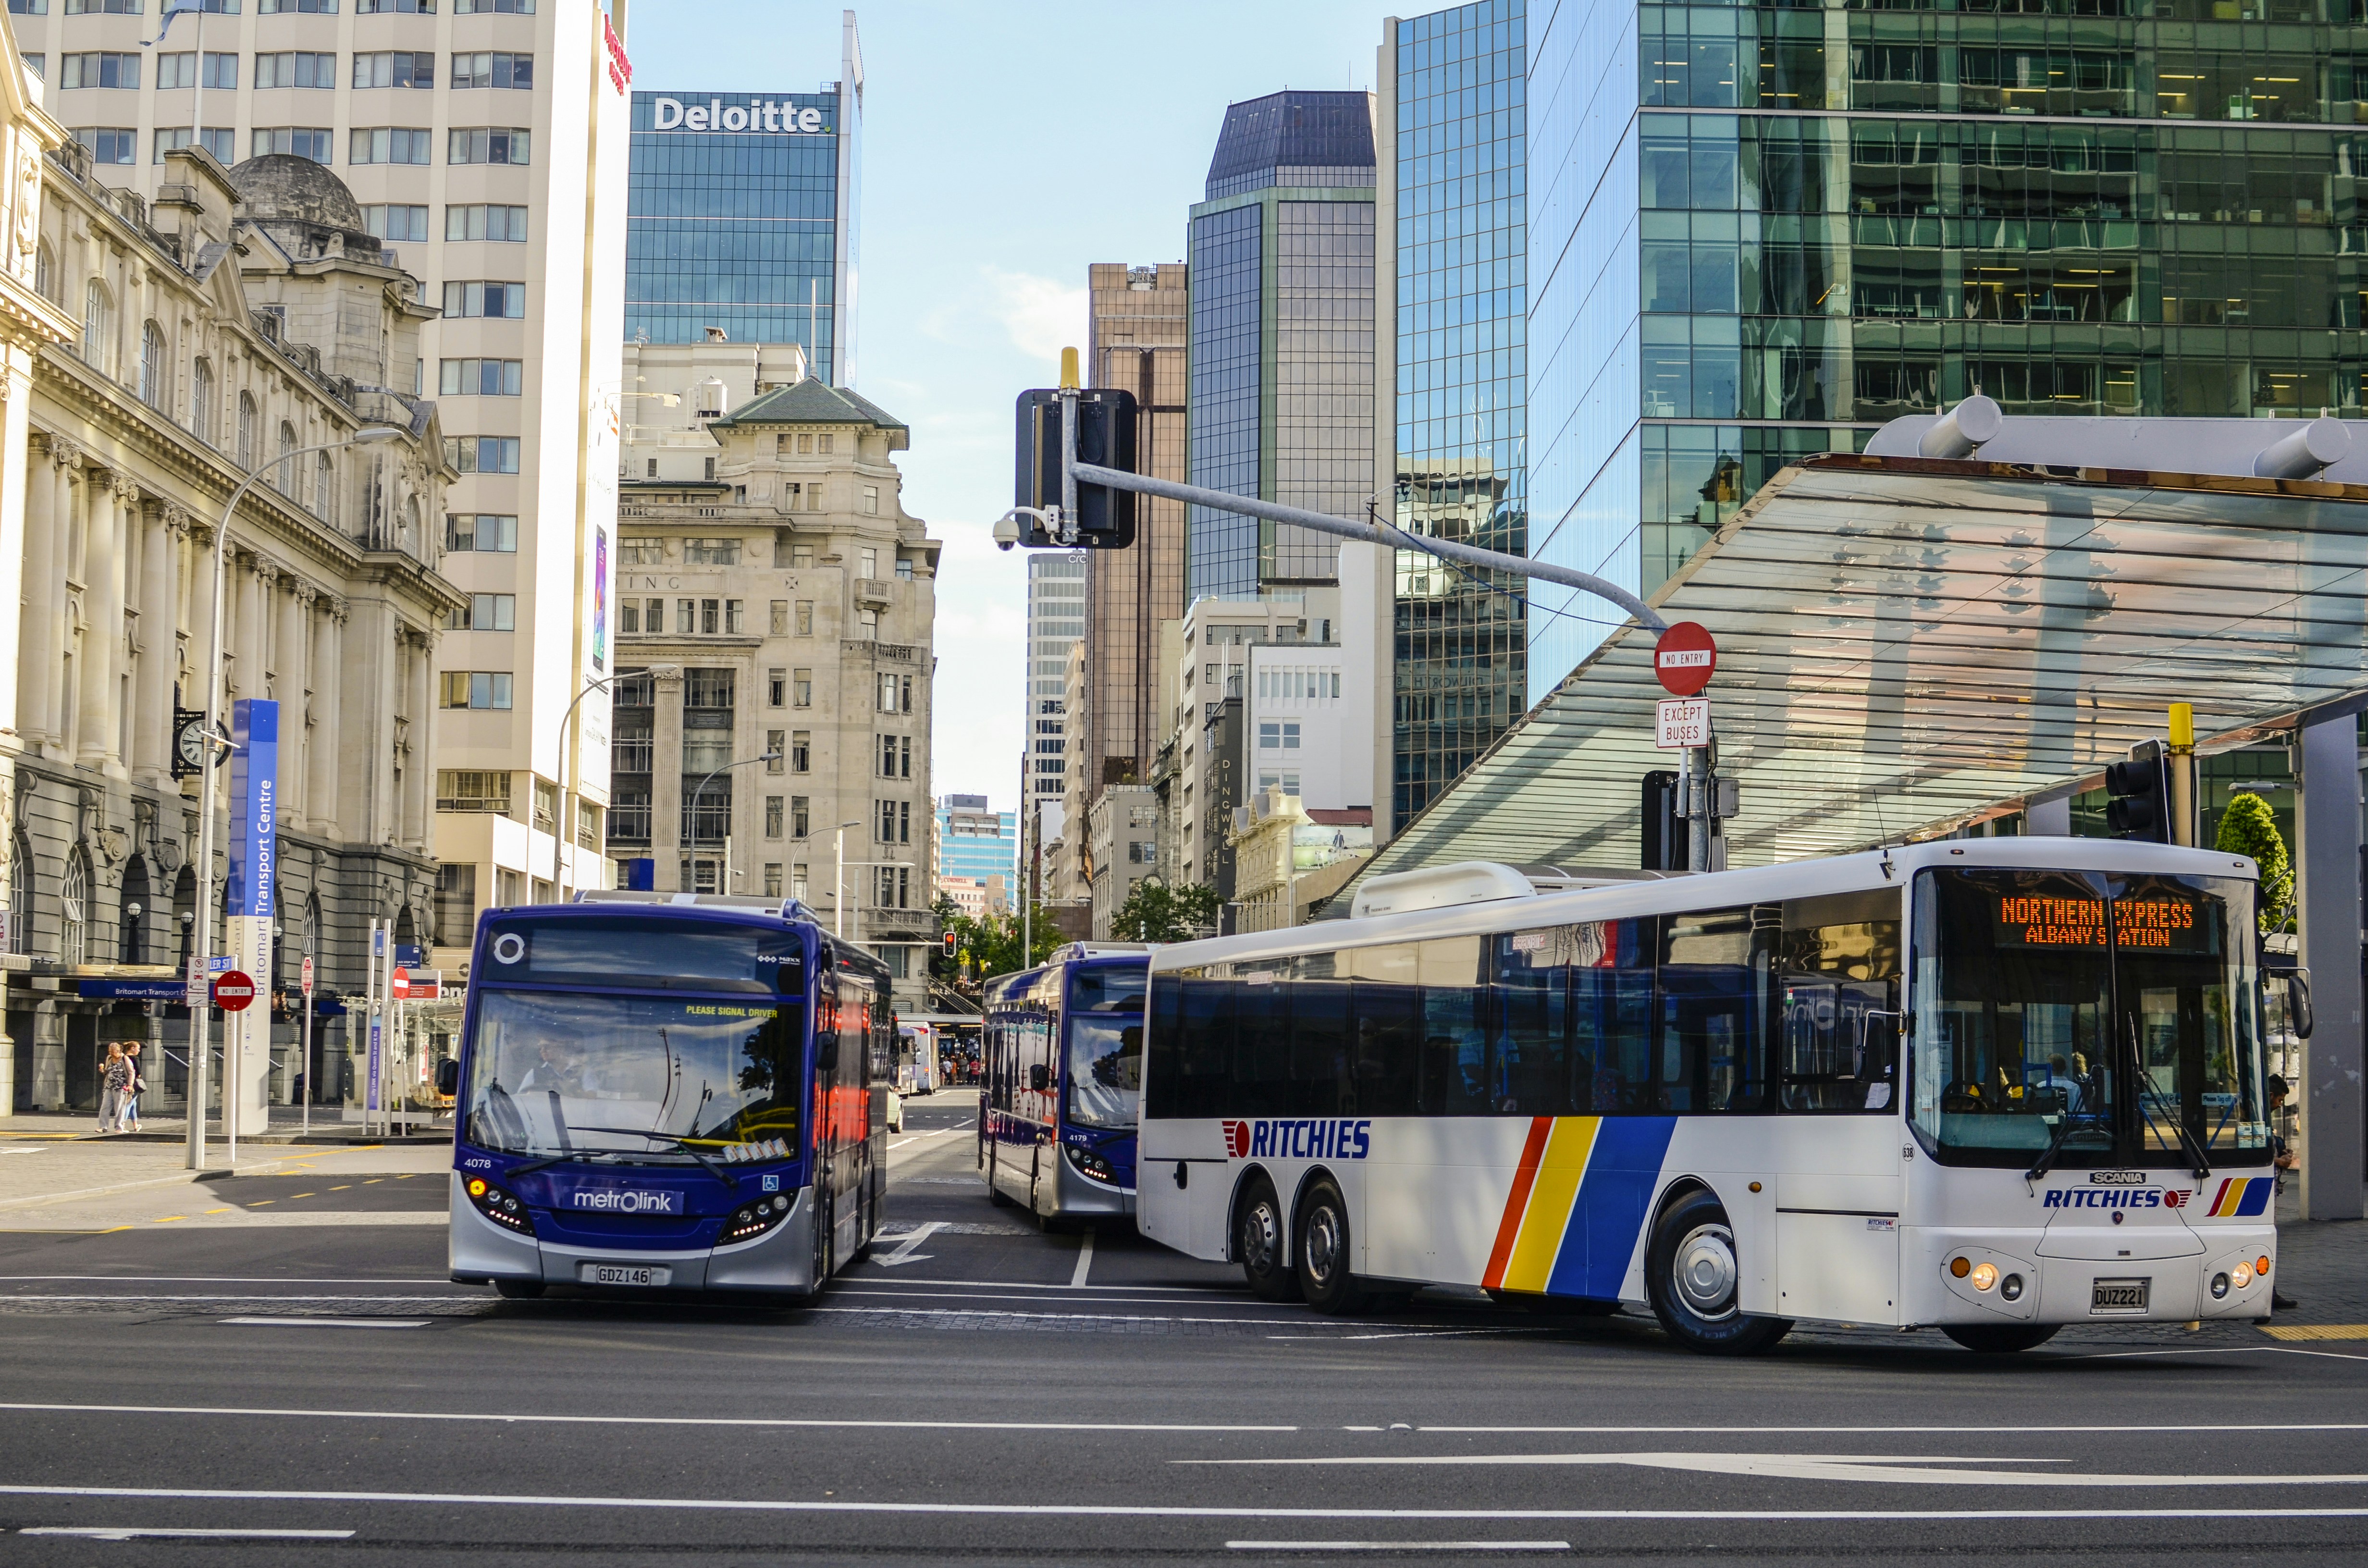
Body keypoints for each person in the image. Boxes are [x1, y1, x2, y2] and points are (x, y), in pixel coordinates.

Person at [2267, 1074, 2300, 1311]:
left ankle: (2270, 1291)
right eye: (2279, 1100)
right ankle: (2267, 1293)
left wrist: (2280, 1149)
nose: (2280, 1105)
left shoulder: (2261, 1117)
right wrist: (2279, 1161)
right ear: (2270, 1096)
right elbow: (2251, 1148)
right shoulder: (2252, 1116)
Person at [96, 1042, 130, 1133]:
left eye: (113, 1051)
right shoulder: (109, 1058)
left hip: (121, 1087)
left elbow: (131, 1072)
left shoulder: (124, 1059)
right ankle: (103, 1127)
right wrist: (103, 1070)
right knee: (105, 1107)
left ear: (119, 1051)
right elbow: (108, 1071)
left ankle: (119, 1127)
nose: (111, 1053)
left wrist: (130, 1085)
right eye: (110, 1051)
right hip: (109, 1086)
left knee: (119, 1108)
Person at [120, 1041, 145, 1133]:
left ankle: (136, 1125)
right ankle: (122, 1124)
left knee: (133, 1105)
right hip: (133, 1084)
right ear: (133, 1048)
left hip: (124, 1083)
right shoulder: (135, 1058)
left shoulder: (123, 1058)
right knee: (129, 1104)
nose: (139, 1050)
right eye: (138, 1048)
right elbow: (138, 1072)